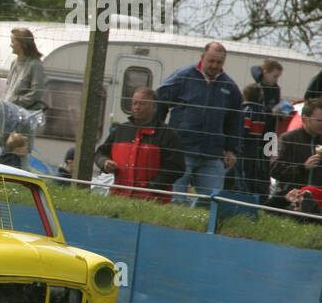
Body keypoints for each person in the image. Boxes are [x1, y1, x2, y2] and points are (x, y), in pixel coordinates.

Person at [157, 42, 242, 204]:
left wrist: (232, 149)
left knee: (212, 203)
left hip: (212, 154)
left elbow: (235, 121)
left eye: (219, 62)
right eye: (211, 61)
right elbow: (160, 103)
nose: (214, 66)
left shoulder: (230, 88)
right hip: (181, 151)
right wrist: (159, 135)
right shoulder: (182, 77)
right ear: (202, 58)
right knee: (176, 200)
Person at [93, 87, 185, 202]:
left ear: (154, 107)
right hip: (118, 198)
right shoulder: (121, 130)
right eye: (134, 103)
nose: (137, 107)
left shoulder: (167, 135)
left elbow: (176, 167)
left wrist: (153, 189)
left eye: (142, 103)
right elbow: (100, 153)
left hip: (154, 202)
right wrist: (105, 162)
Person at [269, 98, 322, 195]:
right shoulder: (288, 138)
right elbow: (274, 169)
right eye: (319, 120)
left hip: (316, 204)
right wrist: (303, 167)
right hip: (289, 200)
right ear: (305, 119)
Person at [236, 82, 273, 201]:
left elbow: (244, 130)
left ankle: (244, 198)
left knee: (242, 175)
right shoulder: (264, 112)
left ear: (244, 95)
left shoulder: (247, 111)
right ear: (260, 97)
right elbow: (268, 133)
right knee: (253, 175)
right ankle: (255, 198)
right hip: (258, 150)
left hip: (245, 149)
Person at [4, 27, 48, 111]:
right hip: (9, 110)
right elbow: (8, 87)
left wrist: (17, 102)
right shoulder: (14, 62)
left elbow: (36, 92)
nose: (11, 45)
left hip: (23, 113)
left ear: (22, 43)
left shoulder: (35, 65)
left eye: (13, 42)